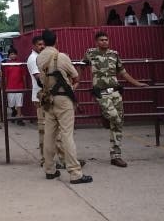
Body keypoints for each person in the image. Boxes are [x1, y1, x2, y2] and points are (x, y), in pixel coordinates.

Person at [83, 31, 147, 168]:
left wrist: (137, 83)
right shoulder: (90, 53)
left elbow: (123, 72)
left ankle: (116, 155)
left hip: (115, 92)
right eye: (101, 40)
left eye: (106, 39)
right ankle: (106, 116)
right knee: (115, 117)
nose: (104, 42)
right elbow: (82, 66)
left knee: (119, 123)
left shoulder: (114, 54)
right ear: (96, 42)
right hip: (101, 93)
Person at [37, 29, 92, 184]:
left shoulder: (40, 58)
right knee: (67, 135)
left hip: (48, 99)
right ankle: (75, 173)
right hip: (63, 99)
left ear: (44, 42)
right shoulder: (62, 56)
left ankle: (49, 169)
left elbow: (42, 80)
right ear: (56, 41)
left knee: (49, 135)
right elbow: (75, 76)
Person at [27, 34, 67, 168]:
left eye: (43, 44)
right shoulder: (34, 59)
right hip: (41, 98)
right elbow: (40, 80)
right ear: (33, 46)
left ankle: (62, 158)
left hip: (48, 96)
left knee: (55, 131)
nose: (42, 46)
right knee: (45, 130)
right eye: (39, 44)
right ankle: (46, 160)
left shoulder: (43, 57)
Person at [4, 48, 26, 126]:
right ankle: (14, 112)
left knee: (19, 103)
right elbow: (6, 77)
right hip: (10, 87)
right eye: (11, 54)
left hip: (19, 86)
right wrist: (5, 86)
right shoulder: (7, 64)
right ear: (9, 55)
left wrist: (25, 86)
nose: (13, 55)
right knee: (11, 104)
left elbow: (23, 76)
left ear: (16, 54)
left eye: (14, 54)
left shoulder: (20, 63)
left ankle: (19, 118)